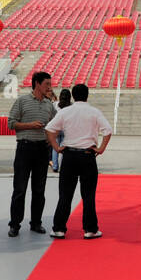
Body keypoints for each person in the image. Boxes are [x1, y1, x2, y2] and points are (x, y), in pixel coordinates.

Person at [45, 83, 112, 239]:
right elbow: (107, 131)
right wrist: (101, 149)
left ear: (73, 96)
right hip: (88, 155)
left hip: (69, 156)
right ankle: (90, 229)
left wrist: (56, 147)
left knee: (65, 195)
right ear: (87, 95)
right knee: (88, 195)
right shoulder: (94, 112)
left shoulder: (65, 112)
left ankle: (59, 229)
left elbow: (49, 129)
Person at [7, 71, 56, 237]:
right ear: (36, 84)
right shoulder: (22, 101)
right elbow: (11, 123)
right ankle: (15, 224)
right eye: (46, 84)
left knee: (39, 190)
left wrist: (51, 140)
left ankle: (36, 223)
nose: (49, 87)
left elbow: (54, 126)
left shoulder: (49, 105)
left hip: (42, 150)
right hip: (24, 149)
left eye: (50, 84)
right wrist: (30, 125)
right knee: (20, 188)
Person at [50, 88, 72, 172]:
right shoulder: (71, 106)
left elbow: (51, 115)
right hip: (66, 130)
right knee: (64, 148)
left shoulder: (55, 104)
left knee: (55, 148)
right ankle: (62, 166)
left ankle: (55, 166)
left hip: (55, 129)